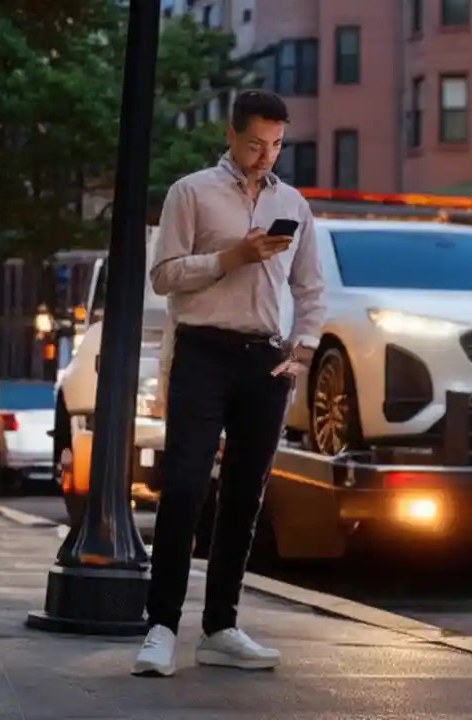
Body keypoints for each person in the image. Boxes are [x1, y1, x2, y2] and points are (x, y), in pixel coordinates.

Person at [132, 90, 325, 677]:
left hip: (264, 362)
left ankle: (220, 626)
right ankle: (161, 626)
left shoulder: (293, 203)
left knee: (244, 497)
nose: (265, 155)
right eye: (254, 144)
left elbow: (311, 288)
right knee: (187, 487)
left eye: (275, 145)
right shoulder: (190, 193)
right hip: (203, 353)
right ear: (230, 137)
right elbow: (164, 276)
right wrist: (230, 257)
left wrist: (303, 349)